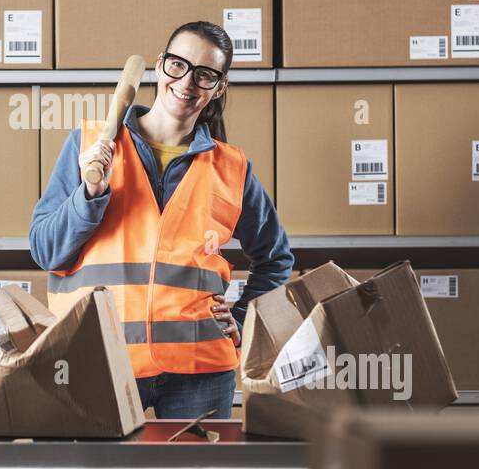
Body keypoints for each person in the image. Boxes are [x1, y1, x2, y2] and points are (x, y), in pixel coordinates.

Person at [30, 21, 294, 420]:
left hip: (199, 369)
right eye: (178, 65)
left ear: (219, 87)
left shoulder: (230, 167)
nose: (187, 82)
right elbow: (45, 251)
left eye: (205, 74)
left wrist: (241, 318)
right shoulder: (89, 145)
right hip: (100, 360)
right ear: (159, 66)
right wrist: (89, 196)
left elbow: (276, 260)